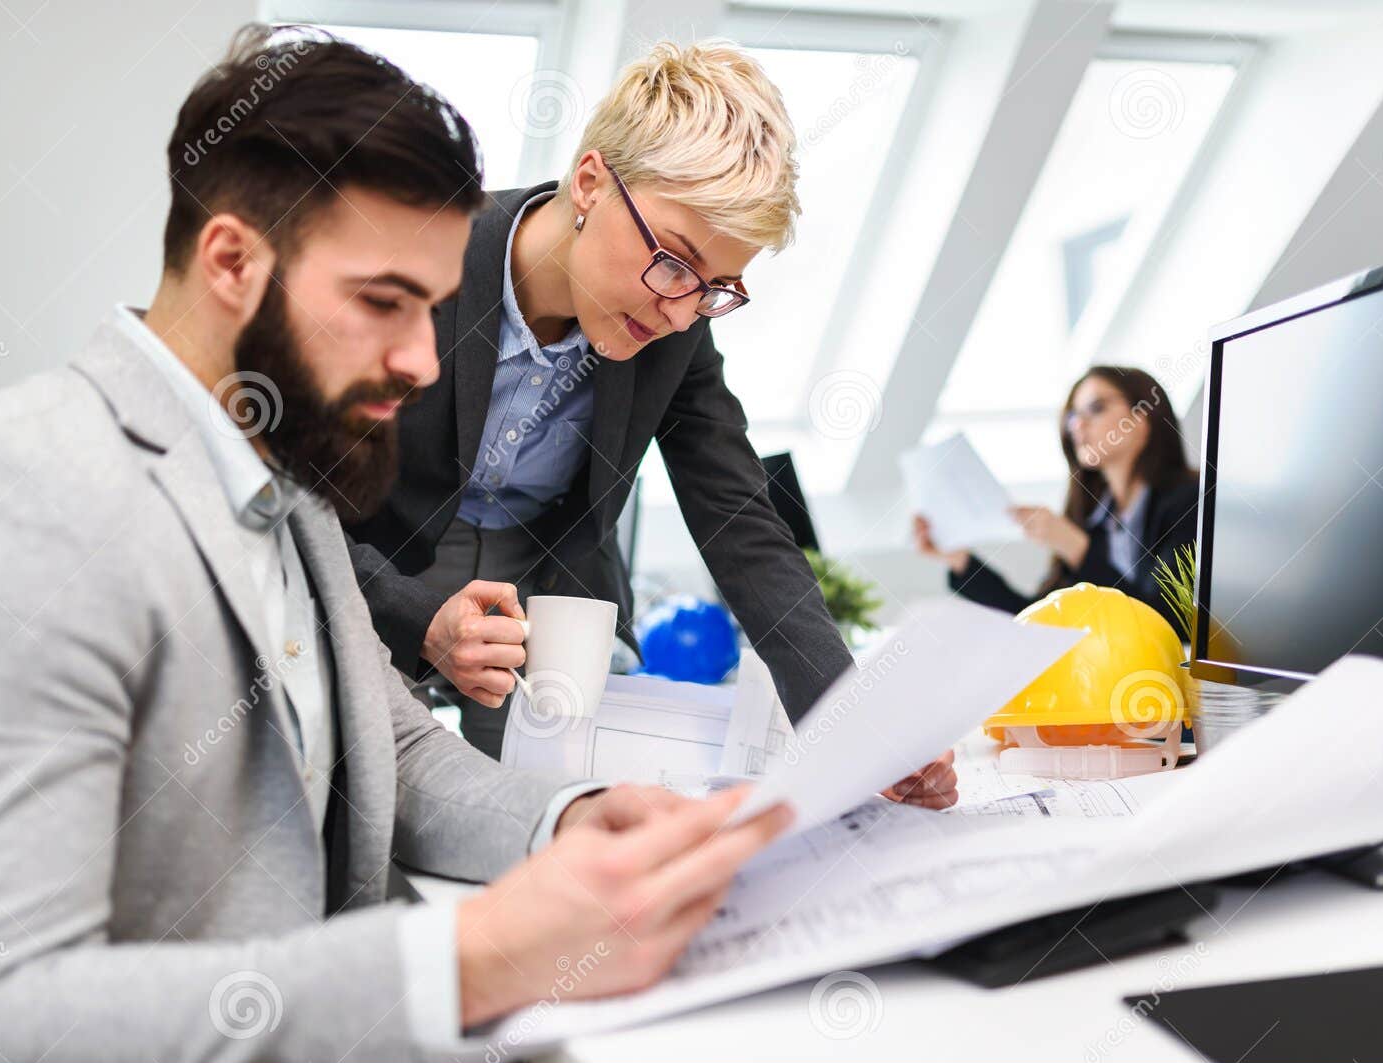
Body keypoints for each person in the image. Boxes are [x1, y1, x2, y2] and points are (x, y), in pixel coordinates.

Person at [0, 28, 795, 1063]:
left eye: (429, 306)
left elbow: (391, 750)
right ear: (232, 259)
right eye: (382, 302)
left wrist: (569, 821)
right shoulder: (17, 493)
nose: (420, 361)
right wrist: (468, 958)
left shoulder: (286, 474)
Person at [343, 41, 955, 808]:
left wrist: (854, 724)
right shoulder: (425, 258)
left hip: (549, 612)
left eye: (717, 287)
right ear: (592, 182)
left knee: (562, 826)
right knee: (365, 798)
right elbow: (294, 494)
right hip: (374, 578)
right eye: (672, 259)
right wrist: (413, 617)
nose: (679, 310)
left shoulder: (678, 327)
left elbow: (739, 519)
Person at [915, 366, 1198, 633]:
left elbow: (1168, 622)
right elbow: (1036, 621)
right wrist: (960, 561)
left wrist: (1075, 548)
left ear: (1142, 416)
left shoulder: (1191, 501)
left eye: (1096, 408)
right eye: (1072, 415)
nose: (1077, 425)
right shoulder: (1092, 515)